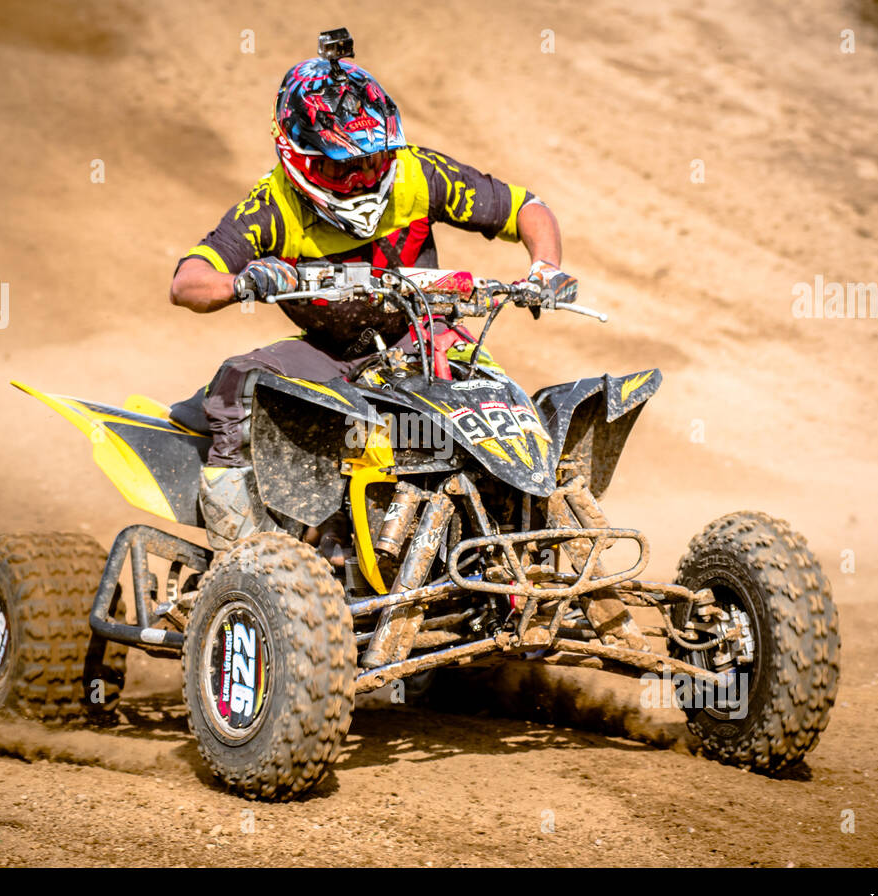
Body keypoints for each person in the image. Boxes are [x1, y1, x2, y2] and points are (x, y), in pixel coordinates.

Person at [170, 36, 577, 551]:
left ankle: (535, 531)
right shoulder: (272, 204)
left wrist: (545, 267)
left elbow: (526, 208)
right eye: (340, 166)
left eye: (373, 159)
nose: (361, 177)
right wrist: (243, 281)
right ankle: (245, 555)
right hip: (330, 354)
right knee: (237, 381)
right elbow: (188, 281)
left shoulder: (417, 173)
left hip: (422, 336)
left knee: (503, 410)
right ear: (299, 157)